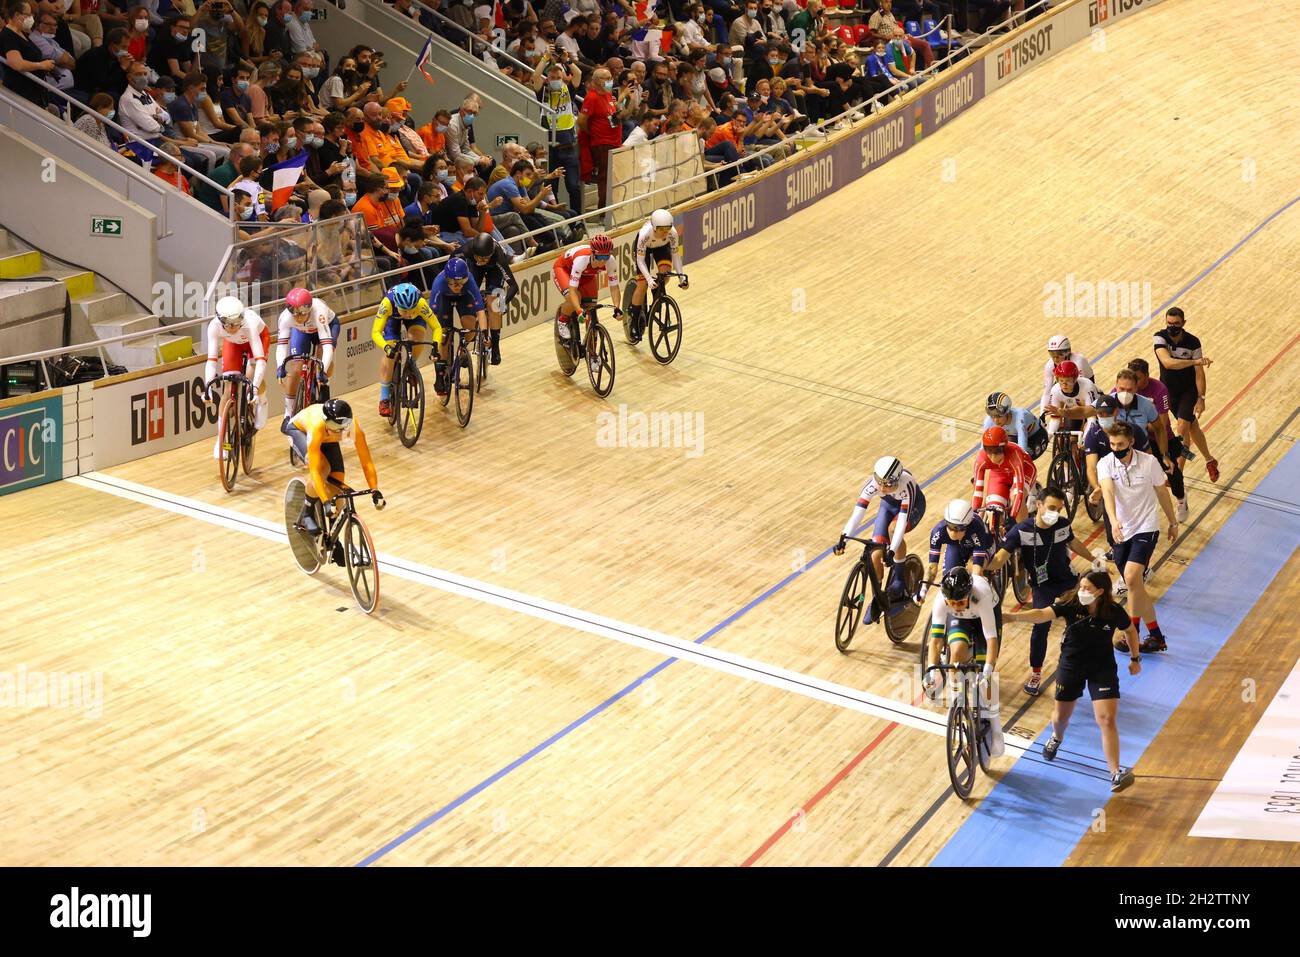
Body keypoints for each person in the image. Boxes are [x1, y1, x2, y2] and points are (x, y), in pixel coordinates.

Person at [1004, 571, 1139, 792]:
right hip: (1072, 666)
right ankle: (1056, 738)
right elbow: (1041, 613)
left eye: (1087, 588)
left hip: (1101, 668)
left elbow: (1130, 630)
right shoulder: (1071, 605)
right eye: (1081, 587)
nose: (1082, 591)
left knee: (1106, 719)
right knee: (1060, 718)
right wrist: (1013, 617)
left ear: (1100, 592)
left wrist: (1135, 658)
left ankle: (1115, 773)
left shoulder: (1113, 612)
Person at [986, 486, 1104, 695]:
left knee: (1083, 621)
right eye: (1051, 507)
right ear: (1038, 505)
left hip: (1067, 581)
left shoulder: (1062, 525)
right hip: (1042, 585)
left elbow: (1074, 543)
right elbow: (1000, 558)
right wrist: (979, 566)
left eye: (1058, 509)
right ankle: (1036, 673)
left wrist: (1094, 560)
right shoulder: (1021, 530)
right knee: (1040, 628)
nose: (1055, 513)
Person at [1097, 421, 1178, 653]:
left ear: (1131, 442)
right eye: (1112, 444)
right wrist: (1113, 521)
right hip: (1121, 530)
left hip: (1146, 527)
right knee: (1136, 587)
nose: (1116, 448)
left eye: (1120, 444)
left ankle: (1130, 634)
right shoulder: (1106, 464)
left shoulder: (1149, 463)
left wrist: (1172, 522)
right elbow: (1108, 492)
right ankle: (1156, 636)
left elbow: (1162, 492)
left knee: (1132, 578)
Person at [287, 397, 384, 566]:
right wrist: (325, 501)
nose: (335, 432)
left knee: (338, 483)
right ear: (326, 421)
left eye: (338, 428)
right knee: (323, 468)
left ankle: (333, 540)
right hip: (300, 431)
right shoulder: (319, 426)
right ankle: (307, 513)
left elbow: (366, 461)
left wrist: (375, 490)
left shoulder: (352, 427)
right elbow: (315, 471)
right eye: (331, 427)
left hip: (326, 441)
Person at [833, 455, 927, 621]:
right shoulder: (872, 484)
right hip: (888, 507)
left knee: (892, 530)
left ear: (896, 480)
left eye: (888, 484)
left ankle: (899, 582)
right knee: (875, 553)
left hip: (913, 507)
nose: (882, 488)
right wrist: (843, 539)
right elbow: (857, 515)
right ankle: (879, 596)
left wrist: (891, 551)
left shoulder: (907, 485)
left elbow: (899, 526)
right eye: (880, 482)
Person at [922, 567, 1003, 759]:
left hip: (986, 615)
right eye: (952, 602)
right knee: (956, 653)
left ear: (968, 594)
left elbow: (992, 640)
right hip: (962, 621)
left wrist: (988, 672)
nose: (956, 606)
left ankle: (997, 730)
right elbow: (935, 641)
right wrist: (931, 673)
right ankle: (957, 701)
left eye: (959, 602)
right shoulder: (942, 601)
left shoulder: (980, 595)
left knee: (985, 679)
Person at [1153, 306, 1218, 483]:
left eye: (1176, 324)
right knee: (1192, 427)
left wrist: (1201, 398)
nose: (1172, 326)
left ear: (1184, 323)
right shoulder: (1160, 337)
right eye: (1169, 323)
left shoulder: (1193, 343)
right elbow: (1167, 363)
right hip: (1168, 391)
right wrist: (1195, 361)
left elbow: (1199, 374)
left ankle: (1177, 474)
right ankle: (1210, 460)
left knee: (1182, 428)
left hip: (1188, 391)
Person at [203, 295, 270, 460]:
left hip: (258, 339)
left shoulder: (249, 324)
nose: (233, 327)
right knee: (228, 386)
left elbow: (260, 362)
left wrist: (254, 389)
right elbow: (211, 361)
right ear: (220, 320)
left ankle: (263, 400)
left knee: (251, 375)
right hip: (233, 344)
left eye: (236, 323)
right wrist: (208, 388)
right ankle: (220, 440)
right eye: (229, 325)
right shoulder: (214, 326)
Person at [1128, 357, 1190, 522]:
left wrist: (1137, 422)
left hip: (1160, 438)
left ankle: (1181, 498)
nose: (1134, 382)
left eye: (1138, 378)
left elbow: (1161, 425)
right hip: (1135, 438)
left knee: (1171, 470)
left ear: (1147, 376)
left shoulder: (1159, 390)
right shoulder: (1125, 388)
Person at [371, 282, 439, 412]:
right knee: (391, 352)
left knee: (417, 338)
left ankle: (411, 365)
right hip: (392, 318)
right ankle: (384, 397)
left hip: (416, 318)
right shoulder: (387, 304)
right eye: (405, 311)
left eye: (411, 310)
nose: (408, 314)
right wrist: (387, 348)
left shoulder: (420, 304)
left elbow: (436, 327)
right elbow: (375, 332)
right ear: (397, 304)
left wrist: (435, 346)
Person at [553, 234, 623, 357]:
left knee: (592, 310)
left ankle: (592, 355)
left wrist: (617, 307)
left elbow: (614, 287)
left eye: (605, 256)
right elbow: (573, 290)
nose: (602, 260)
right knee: (574, 298)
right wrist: (579, 311)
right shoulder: (582, 259)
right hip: (564, 269)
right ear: (592, 253)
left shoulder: (610, 261)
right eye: (600, 256)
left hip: (587, 275)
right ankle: (563, 321)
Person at [275, 287, 338, 422]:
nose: (297, 317)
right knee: (296, 367)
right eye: (294, 313)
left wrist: (323, 371)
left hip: (326, 327)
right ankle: (288, 412)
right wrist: (280, 366)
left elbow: (327, 347)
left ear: (309, 309)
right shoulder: (285, 317)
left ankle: (324, 385)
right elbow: (281, 346)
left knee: (323, 360)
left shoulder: (319, 311)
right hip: (302, 331)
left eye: (301, 313)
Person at [427, 259, 486, 397]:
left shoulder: (470, 283)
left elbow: (481, 312)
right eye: (453, 283)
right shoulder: (439, 283)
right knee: (443, 336)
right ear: (447, 279)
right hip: (444, 300)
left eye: (461, 283)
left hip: (464, 298)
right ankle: (440, 376)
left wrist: (484, 334)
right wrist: (436, 341)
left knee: (470, 328)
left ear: (466, 278)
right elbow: (431, 317)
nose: (457, 286)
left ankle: (463, 351)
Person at [457, 233, 517, 366]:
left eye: (485, 259)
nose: (482, 261)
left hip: (494, 270)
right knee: (470, 294)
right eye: (479, 258)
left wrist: (503, 303)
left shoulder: (498, 256)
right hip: (474, 269)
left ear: (491, 254)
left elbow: (513, 286)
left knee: (495, 303)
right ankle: (468, 339)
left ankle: (495, 347)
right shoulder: (466, 250)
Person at [921, 499, 992, 604]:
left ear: (967, 526)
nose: (953, 531)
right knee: (949, 582)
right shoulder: (938, 532)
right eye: (949, 526)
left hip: (982, 546)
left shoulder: (976, 529)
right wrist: (923, 591)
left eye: (958, 528)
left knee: (974, 574)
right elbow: (932, 567)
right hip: (956, 546)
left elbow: (977, 570)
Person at [629, 208, 686, 324]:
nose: (665, 232)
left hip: (662, 247)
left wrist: (682, 277)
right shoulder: (644, 234)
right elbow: (640, 261)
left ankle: (656, 297)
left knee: (665, 276)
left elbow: (676, 255)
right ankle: (634, 320)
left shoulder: (673, 233)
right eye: (661, 229)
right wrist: (649, 279)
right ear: (654, 227)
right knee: (642, 284)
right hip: (645, 249)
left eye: (668, 228)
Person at [971, 425, 1036, 525]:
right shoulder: (981, 460)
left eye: (997, 453)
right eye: (989, 452)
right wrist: (974, 517)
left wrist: (1013, 517)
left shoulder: (1014, 455)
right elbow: (977, 492)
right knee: (993, 511)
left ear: (1004, 448)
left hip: (1025, 470)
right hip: (999, 474)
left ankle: (1023, 532)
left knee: (1016, 498)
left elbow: (1019, 492)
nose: (993, 458)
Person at [3, 3, 56, 109]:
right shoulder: (8, 35)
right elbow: (17, 64)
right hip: (22, 92)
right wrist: (41, 65)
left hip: (34, 91)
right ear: (17, 15)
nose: (31, 18)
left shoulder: (23, 33)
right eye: (28, 15)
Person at [1043, 359, 1098, 441]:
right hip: (1073, 411)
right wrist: (1048, 437)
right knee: (1070, 438)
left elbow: (1091, 417)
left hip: (1094, 411)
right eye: (1061, 381)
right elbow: (1055, 418)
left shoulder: (1087, 387)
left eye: (1068, 381)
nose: (1064, 384)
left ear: (1075, 379)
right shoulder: (1055, 390)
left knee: (1091, 436)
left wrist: (1085, 438)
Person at [983, 390, 1047, 460]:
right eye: (992, 416)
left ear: (1007, 412)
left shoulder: (1019, 418)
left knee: (1021, 459)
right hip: (1015, 437)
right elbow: (984, 448)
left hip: (1037, 437)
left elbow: (1022, 448)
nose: (995, 420)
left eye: (999, 416)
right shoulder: (989, 420)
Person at [1040, 334, 1095, 413]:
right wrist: (1042, 414)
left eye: (1059, 354)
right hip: (1067, 385)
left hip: (1083, 387)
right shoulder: (1050, 365)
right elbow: (1047, 392)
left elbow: (1080, 388)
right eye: (1052, 354)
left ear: (1067, 353)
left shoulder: (1079, 361)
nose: (1055, 358)